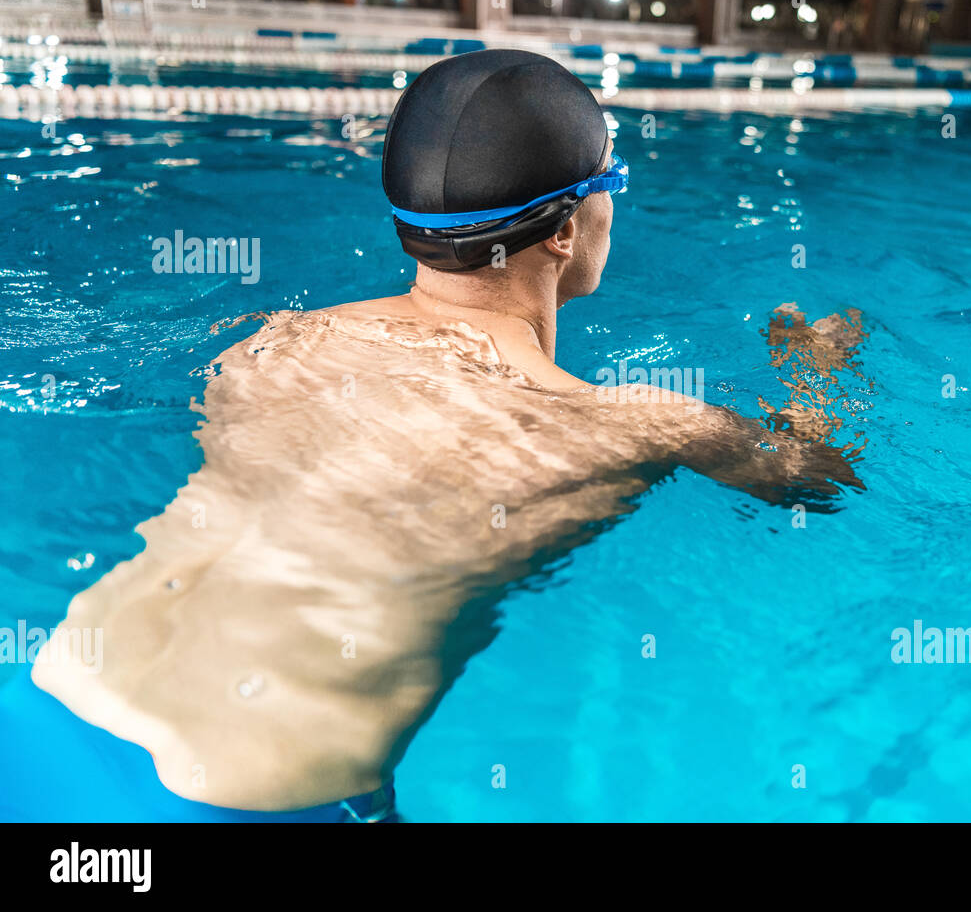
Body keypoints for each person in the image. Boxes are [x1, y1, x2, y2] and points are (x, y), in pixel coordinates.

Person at [3, 49, 862, 821]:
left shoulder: (275, 342)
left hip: (43, 713)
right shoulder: (639, 422)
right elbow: (819, 480)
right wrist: (815, 363)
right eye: (614, 184)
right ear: (566, 228)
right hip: (229, 803)